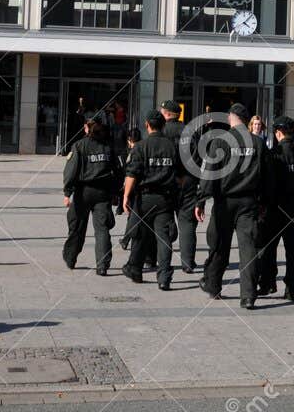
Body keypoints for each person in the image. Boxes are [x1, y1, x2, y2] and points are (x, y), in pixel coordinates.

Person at [197, 104, 269, 308]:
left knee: (219, 244)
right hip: (249, 202)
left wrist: (201, 199)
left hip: (224, 202)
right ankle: (248, 296)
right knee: (248, 248)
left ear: (231, 117)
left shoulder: (220, 140)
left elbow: (209, 173)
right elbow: (266, 176)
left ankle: (213, 286)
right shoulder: (257, 142)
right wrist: (264, 201)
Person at [121, 112, 177, 290]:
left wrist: (126, 196)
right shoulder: (172, 146)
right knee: (164, 238)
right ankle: (164, 278)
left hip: (144, 197)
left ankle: (135, 270)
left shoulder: (140, 147)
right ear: (163, 125)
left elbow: (132, 174)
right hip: (165, 199)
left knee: (140, 235)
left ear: (147, 125)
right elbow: (181, 175)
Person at [63, 110, 121, 274]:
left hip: (83, 192)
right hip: (103, 193)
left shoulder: (80, 146)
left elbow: (71, 171)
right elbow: (118, 171)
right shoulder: (108, 146)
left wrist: (67, 193)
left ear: (87, 128)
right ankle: (102, 266)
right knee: (102, 229)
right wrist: (116, 191)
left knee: (77, 227)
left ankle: (70, 258)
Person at [265, 117, 294, 301]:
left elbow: (268, 183)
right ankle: (293, 287)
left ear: (278, 133)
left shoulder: (274, 153)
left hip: (277, 208)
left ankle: (269, 282)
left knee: (269, 248)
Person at [160, 100, 197, 275]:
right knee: (187, 223)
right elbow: (197, 158)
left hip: (165, 182)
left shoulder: (160, 131)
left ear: (166, 114)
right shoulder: (188, 131)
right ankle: (188, 262)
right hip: (187, 181)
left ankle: (159, 261)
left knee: (164, 222)